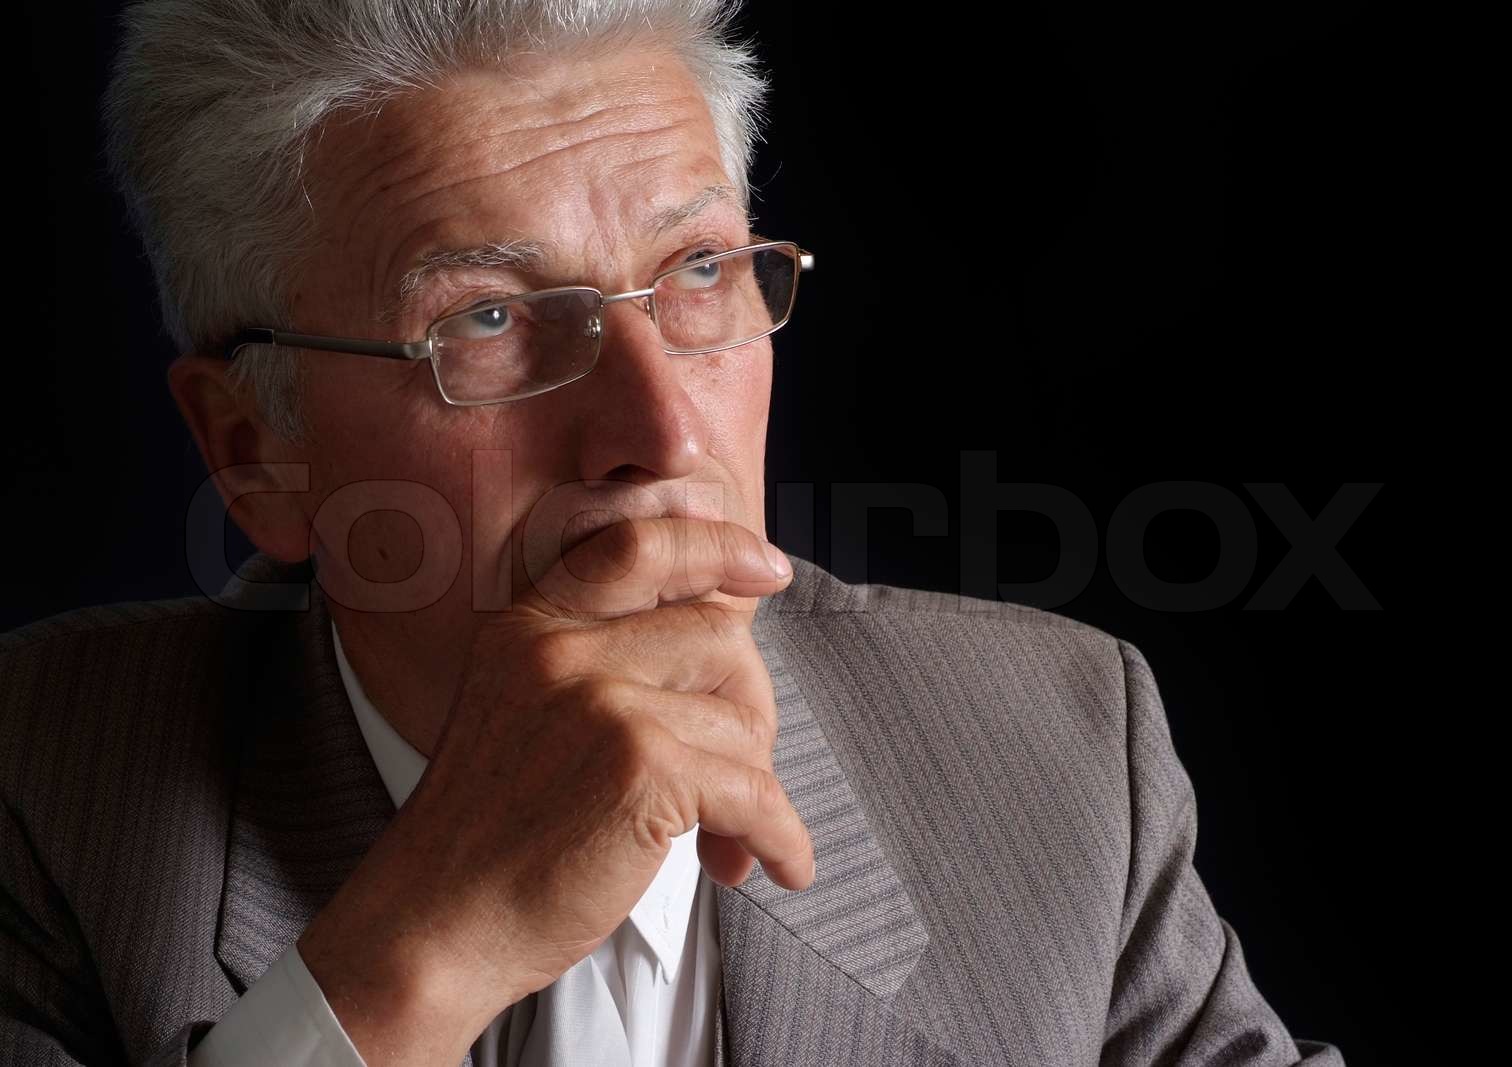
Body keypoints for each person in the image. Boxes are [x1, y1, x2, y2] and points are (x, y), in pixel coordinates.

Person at [0, 1, 1344, 1064]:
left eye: (698, 273)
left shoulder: (1051, 746)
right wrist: (420, 957)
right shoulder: (41, 788)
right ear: (254, 448)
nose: (660, 427)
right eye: (488, 318)